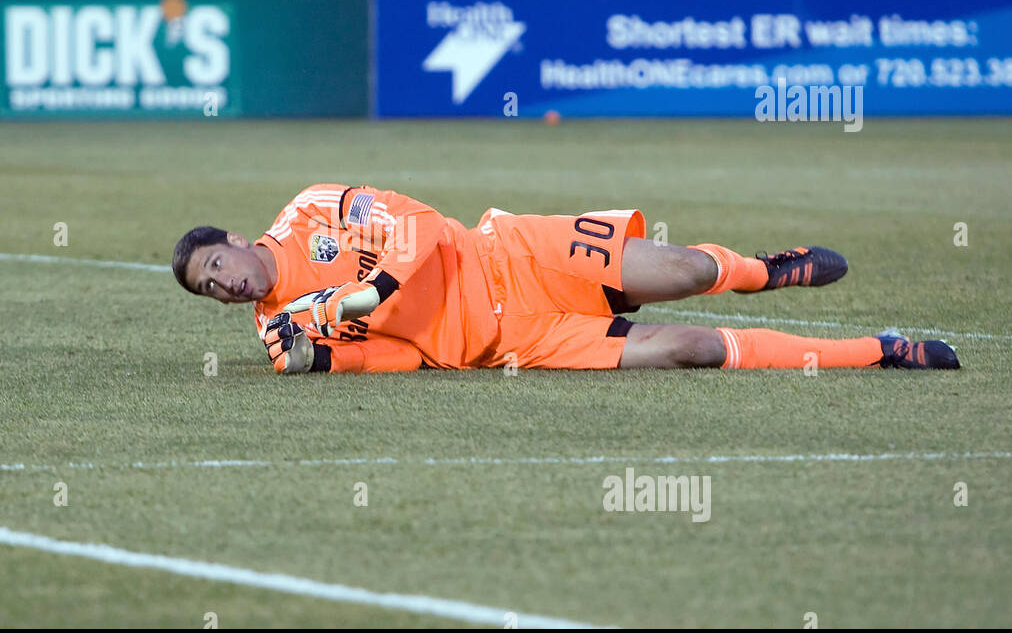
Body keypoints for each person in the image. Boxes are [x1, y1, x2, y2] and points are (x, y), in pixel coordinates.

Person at [172, 184, 959, 374]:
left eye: (215, 266)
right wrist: (324, 359)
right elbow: (404, 357)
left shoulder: (315, 210)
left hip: (507, 254)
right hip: (508, 338)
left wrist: (371, 292)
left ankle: (760, 270)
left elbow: (411, 224)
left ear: (235, 241)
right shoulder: (285, 333)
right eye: (208, 291)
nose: (223, 285)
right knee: (682, 347)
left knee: (684, 270)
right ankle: (881, 351)